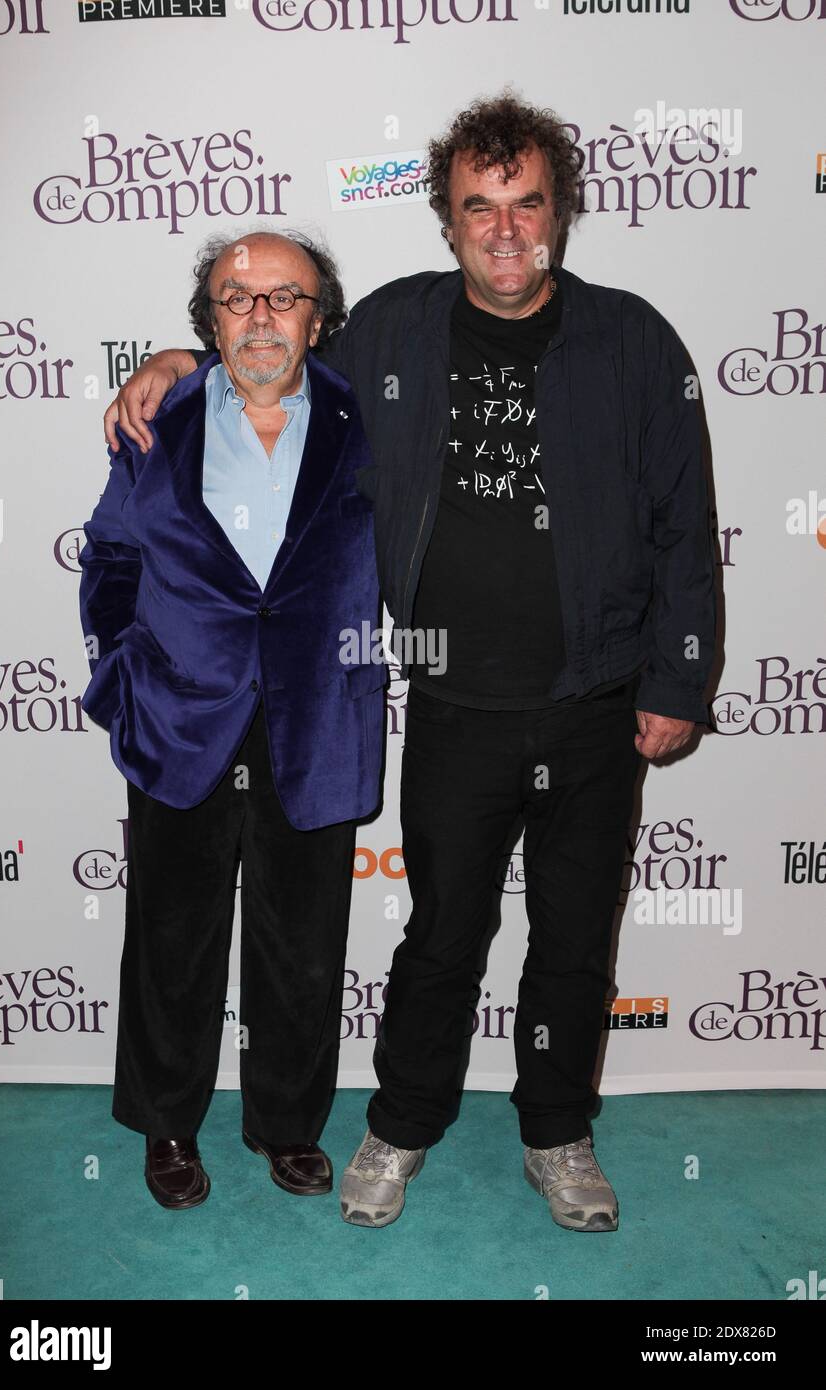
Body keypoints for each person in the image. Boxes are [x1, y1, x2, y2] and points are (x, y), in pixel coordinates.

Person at [103, 92, 716, 1232]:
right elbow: (268, 355)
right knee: (440, 935)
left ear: (557, 211)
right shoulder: (390, 329)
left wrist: (676, 680)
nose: (502, 230)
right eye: (476, 207)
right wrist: (172, 356)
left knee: (575, 940)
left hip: (594, 699)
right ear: (444, 220)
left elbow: (684, 517)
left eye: (523, 203)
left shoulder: (634, 341)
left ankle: (556, 1131)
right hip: (450, 701)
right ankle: (400, 1125)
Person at [81, 229, 386, 1209]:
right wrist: (120, 670)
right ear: (206, 320)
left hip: (315, 719)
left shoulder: (369, 415)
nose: (258, 315)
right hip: (179, 715)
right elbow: (111, 553)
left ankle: (285, 1124)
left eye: (282, 295)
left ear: (320, 314)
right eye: (234, 297)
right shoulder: (161, 414)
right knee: (171, 938)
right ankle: (167, 1123)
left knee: (301, 943)